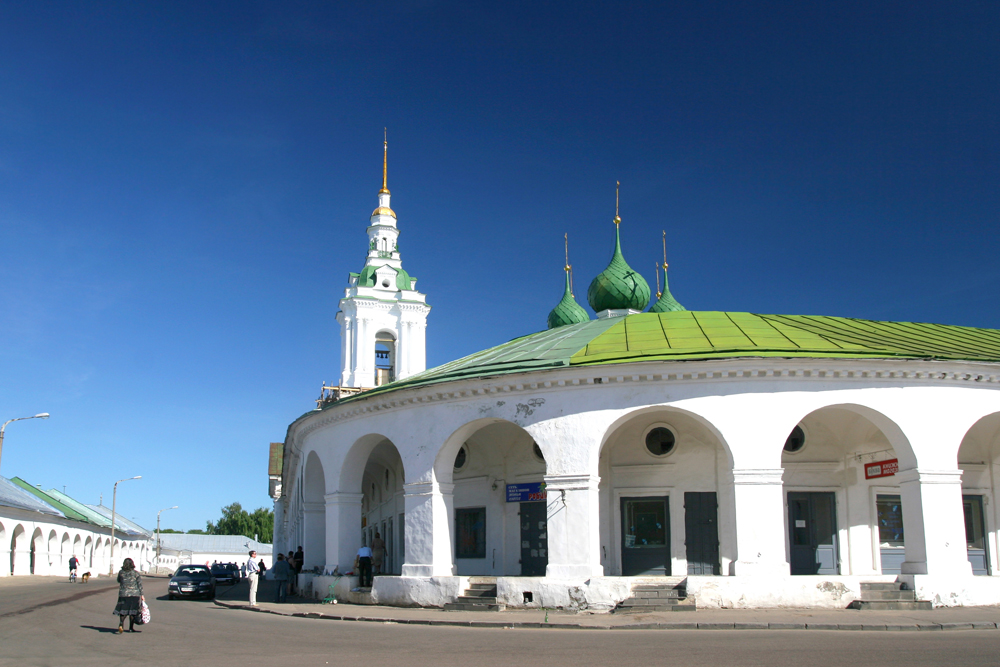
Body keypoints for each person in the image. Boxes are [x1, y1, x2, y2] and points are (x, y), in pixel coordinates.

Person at [113, 558, 144, 634]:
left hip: (123, 594)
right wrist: (142, 595)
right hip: (134, 594)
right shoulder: (136, 573)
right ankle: (131, 628)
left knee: (123, 610)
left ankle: (121, 624)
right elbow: (139, 584)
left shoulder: (121, 572)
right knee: (133, 611)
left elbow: (118, 580)